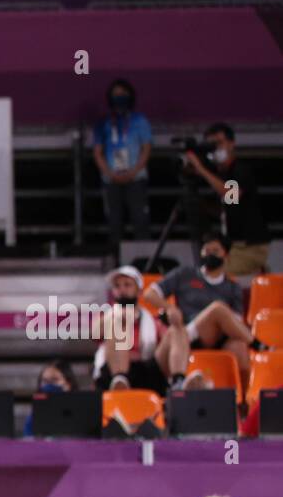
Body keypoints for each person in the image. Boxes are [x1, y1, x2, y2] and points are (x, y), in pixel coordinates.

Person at [143, 233, 266, 387]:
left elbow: (235, 323)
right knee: (218, 308)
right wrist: (170, 307)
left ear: (225, 254)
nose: (210, 255)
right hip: (186, 334)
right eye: (206, 251)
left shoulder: (233, 288)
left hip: (217, 337)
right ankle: (257, 345)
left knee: (239, 346)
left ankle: (241, 401)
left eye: (215, 251)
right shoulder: (185, 274)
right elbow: (149, 293)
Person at [184, 123, 270, 278]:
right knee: (211, 268)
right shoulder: (221, 174)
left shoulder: (239, 170)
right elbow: (230, 208)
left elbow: (231, 195)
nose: (215, 148)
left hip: (250, 247)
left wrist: (201, 169)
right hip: (233, 246)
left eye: (219, 143)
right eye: (211, 145)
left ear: (232, 143)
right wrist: (200, 205)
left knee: (216, 273)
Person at [94, 265, 191, 395]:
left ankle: (178, 381)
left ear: (139, 290)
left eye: (127, 285)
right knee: (117, 324)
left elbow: (168, 344)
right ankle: (120, 379)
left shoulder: (152, 320)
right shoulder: (107, 316)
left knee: (177, 330)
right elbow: (94, 333)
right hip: (113, 372)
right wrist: (117, 318)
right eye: (117, 286)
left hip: (146, 371)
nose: (122, 289)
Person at [91, 78, 151, 247]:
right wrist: (109, 173)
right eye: (116, 94)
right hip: (111, 179)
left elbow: (146, 148)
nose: (119, 97)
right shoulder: (103, 123)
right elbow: (97, 152)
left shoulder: (139, 120)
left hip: (136, 177)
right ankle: (116, 259)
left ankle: (144, 259)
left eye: (123, 94)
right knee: (114, 221)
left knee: (140, 218)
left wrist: (134, 171)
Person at [23, 359, 78, 436]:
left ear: (69, 384)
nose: (49, 386)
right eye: (45, 381)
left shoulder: (80, 412)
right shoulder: (35, 414)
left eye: (55, 380)